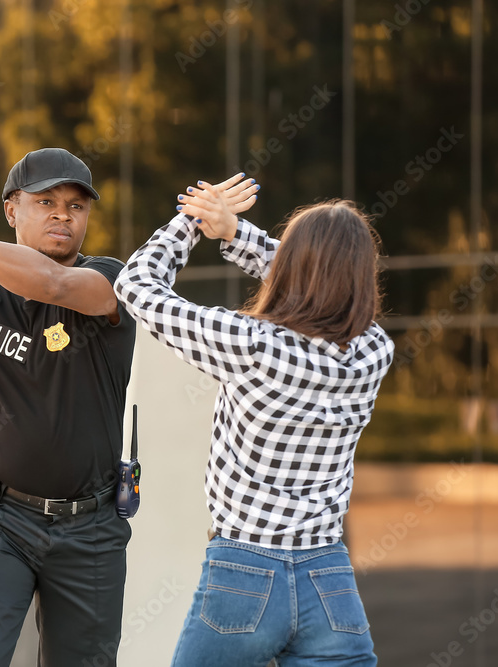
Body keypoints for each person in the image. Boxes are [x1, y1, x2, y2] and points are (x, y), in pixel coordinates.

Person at [0, 148, 255, 665]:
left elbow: (51, 282)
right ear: (11, 210)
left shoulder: (112, 279)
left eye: (76, 206)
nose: (63, 214)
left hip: (91, 529)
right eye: (46, 201)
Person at [114, 182, 394, 666]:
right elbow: (321, 286)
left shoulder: (252, 343)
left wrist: (193, 221)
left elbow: (135, 286)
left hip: (242, 573)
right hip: (328, 576)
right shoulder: (374, 352)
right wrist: (236, 232)